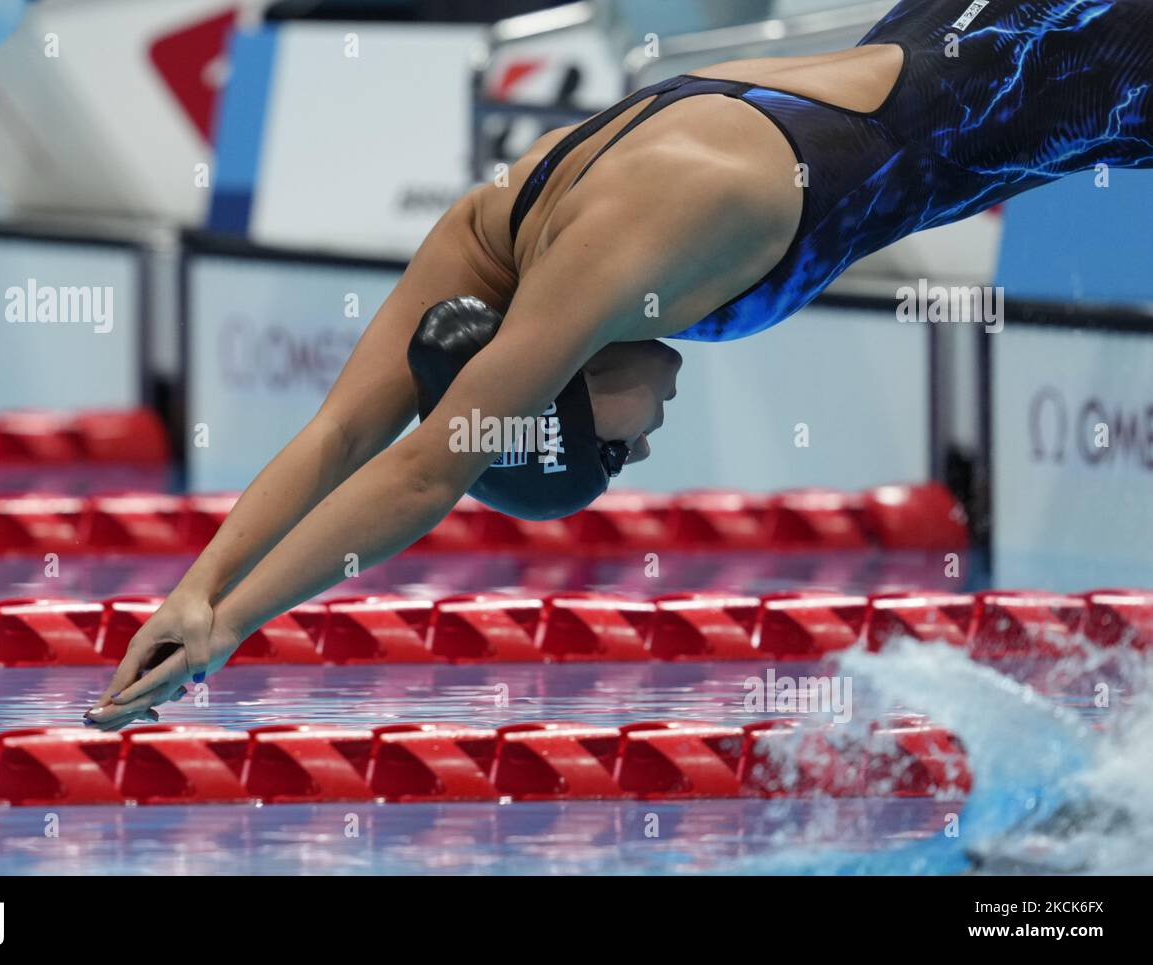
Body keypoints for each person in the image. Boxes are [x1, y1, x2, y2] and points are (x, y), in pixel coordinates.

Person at [88, 0, 1153, 728]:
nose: (647, 439)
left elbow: (422, 469)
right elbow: (341, 431)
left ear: (567, 390)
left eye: (618, 447)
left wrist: (229, 624)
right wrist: (194, 585)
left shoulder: (610, 258)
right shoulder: (504, 222)